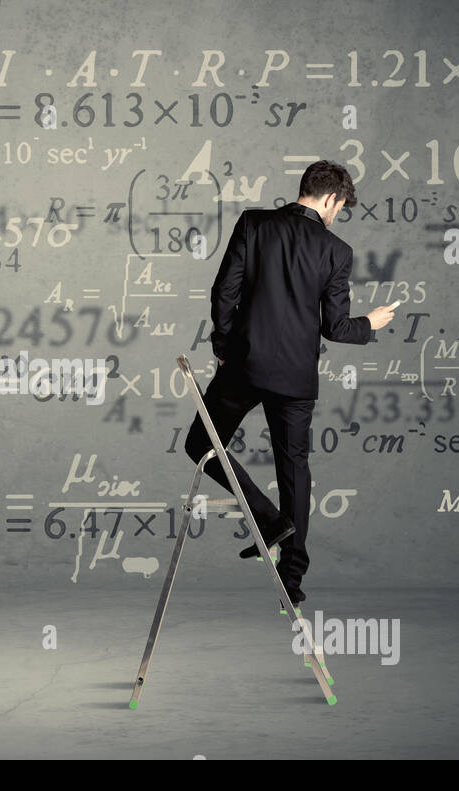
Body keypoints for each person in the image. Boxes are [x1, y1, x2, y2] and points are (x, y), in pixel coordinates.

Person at [183, 160, 398, 605]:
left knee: (202, 444)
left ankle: (265, 516)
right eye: (340, 207)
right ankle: (292, 578)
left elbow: (224, 291)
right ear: (330, 198)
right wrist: (371, 323)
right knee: (295, 471)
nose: (337, 215)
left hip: (243, 364)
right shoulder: (336, 251)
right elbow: (336, 328)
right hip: (296, 377)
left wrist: (223, 346)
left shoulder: (253, 224)